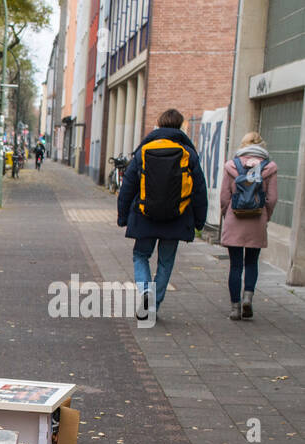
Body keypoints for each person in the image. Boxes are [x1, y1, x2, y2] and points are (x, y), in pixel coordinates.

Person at [117, 108, 208, 321]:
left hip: (144, 215)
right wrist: (199, 221)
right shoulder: (189, 153)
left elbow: (128, 187)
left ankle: (145, 293)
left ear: (158, 125)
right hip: (177, 217)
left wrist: (122, 216)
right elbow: (199, 190)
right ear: (180, 126)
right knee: (166, 263)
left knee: (140, 255)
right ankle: (153, 304)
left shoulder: (143, 151)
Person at [220, 132, 278, 321]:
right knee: (252, 262)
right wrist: (265, 216)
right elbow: (272, 198)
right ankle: (248, 298)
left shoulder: (231, 166)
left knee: (235, 265)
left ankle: (235, 308)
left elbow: (224, 197)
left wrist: (226, 214)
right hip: (257, 219)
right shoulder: (269, 167)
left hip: (234, 218)